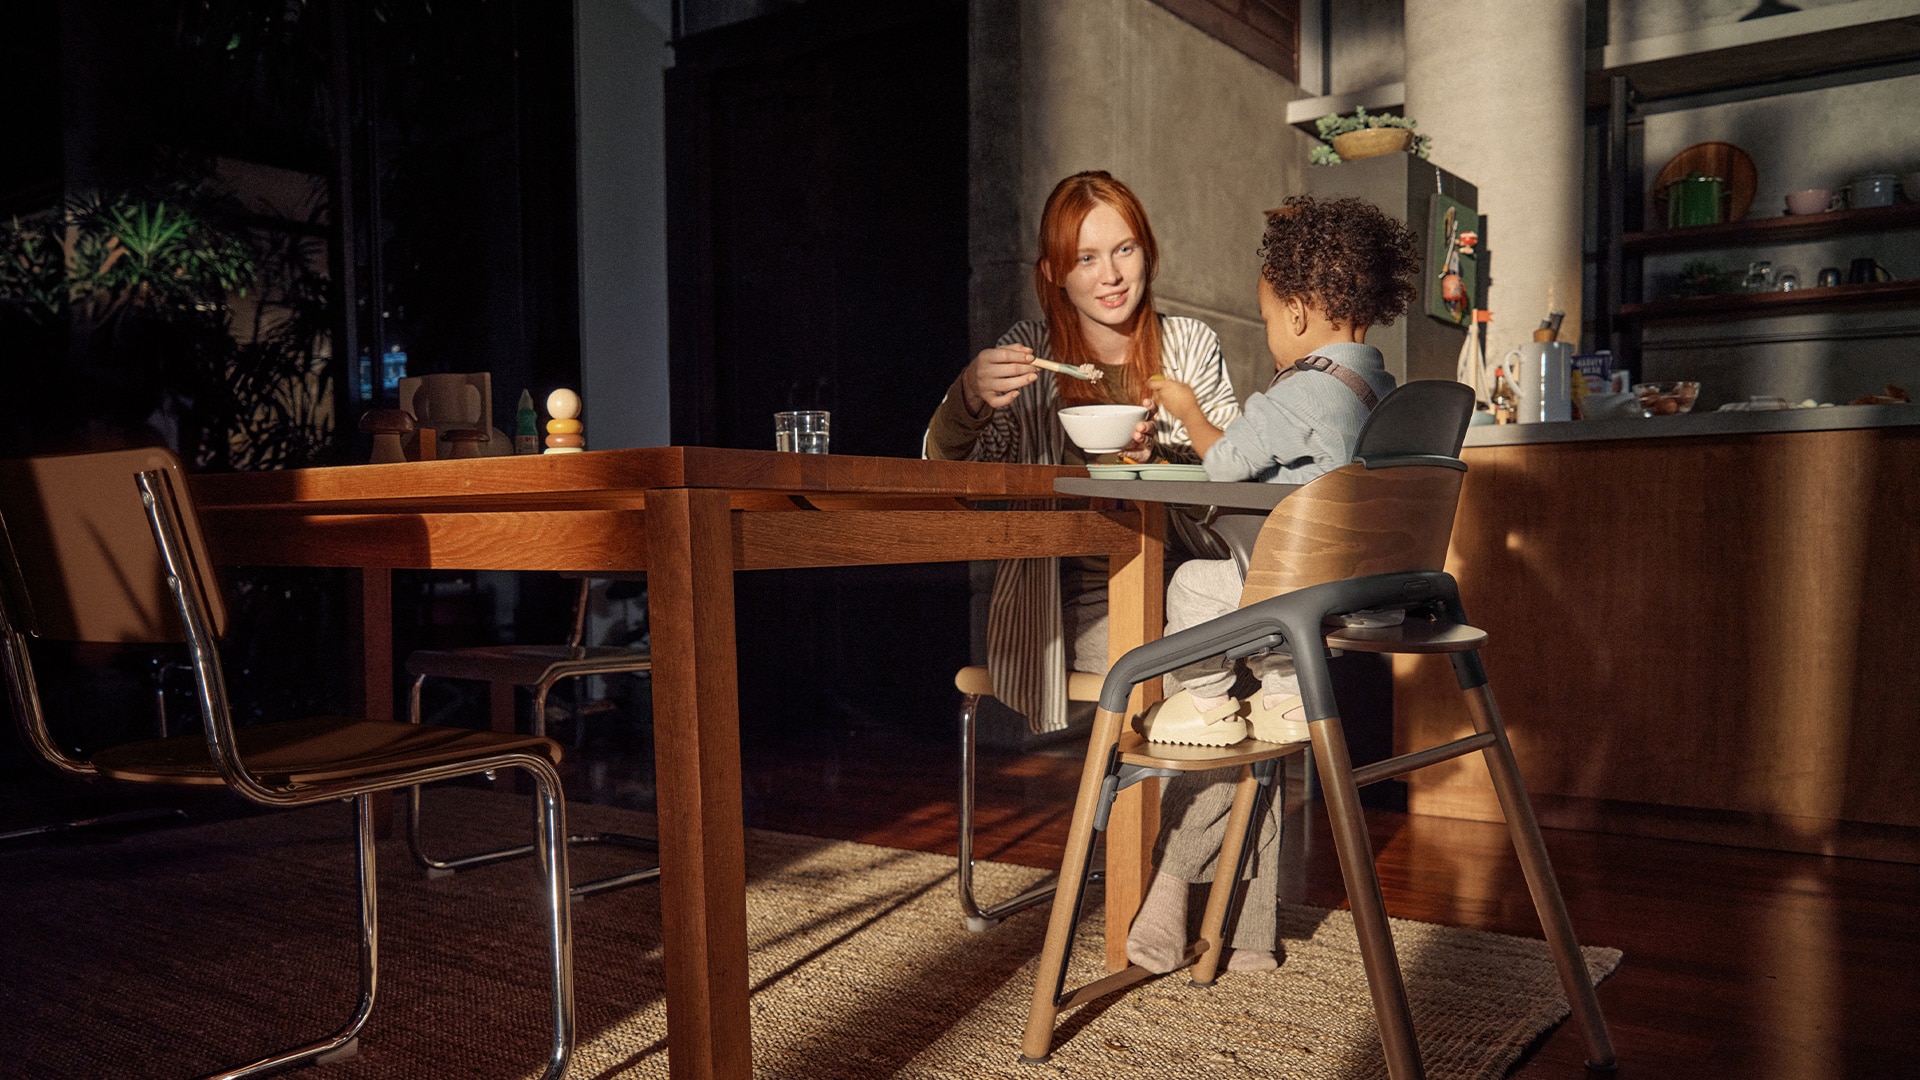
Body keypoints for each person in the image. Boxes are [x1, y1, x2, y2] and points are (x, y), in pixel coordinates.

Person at [1123, 194, 1421, 974]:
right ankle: (1251, 933)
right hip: (1356, 607)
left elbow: (1224, 464)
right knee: (1274, 712)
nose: (1270, 340)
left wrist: (1188, 408)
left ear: (1298, 313)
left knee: (1192, 588)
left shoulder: (1301, 389)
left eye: (1265, 322)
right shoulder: (1386, 396)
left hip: (1293, 599)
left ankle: (1210, 710)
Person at [924, 171, 1240, 733]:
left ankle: (1147, 823)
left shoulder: (1190, 345)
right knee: (1194, 684)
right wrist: (969, 394)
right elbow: (951, 479)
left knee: (1233, 676)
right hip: (1068, 598)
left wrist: (1158, 466)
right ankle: (1145, 823)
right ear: (1054, 273)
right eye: (1086, 258)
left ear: (1147, 251)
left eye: (1124, 249)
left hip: (1184, 580)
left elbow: (1235, 495)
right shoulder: (1029, 356)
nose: (1112, 275)